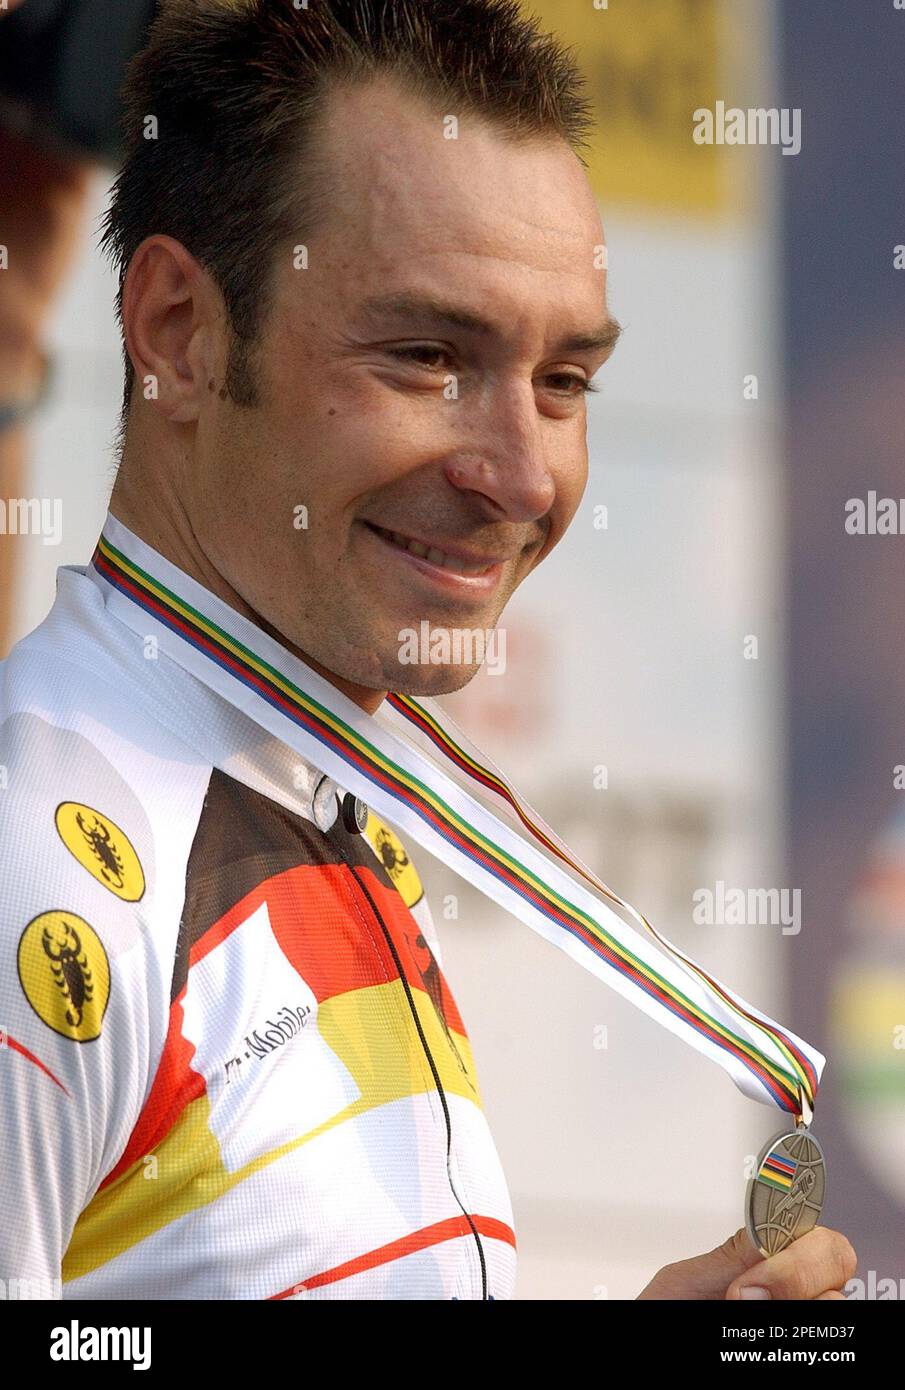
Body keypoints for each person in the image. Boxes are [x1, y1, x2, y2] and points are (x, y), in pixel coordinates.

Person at [0, 0, 855, 1301]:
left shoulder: (312, 787)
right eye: (425, 356)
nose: (519, 475)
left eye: (563, 381)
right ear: (176, 327)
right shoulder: (41, 852)